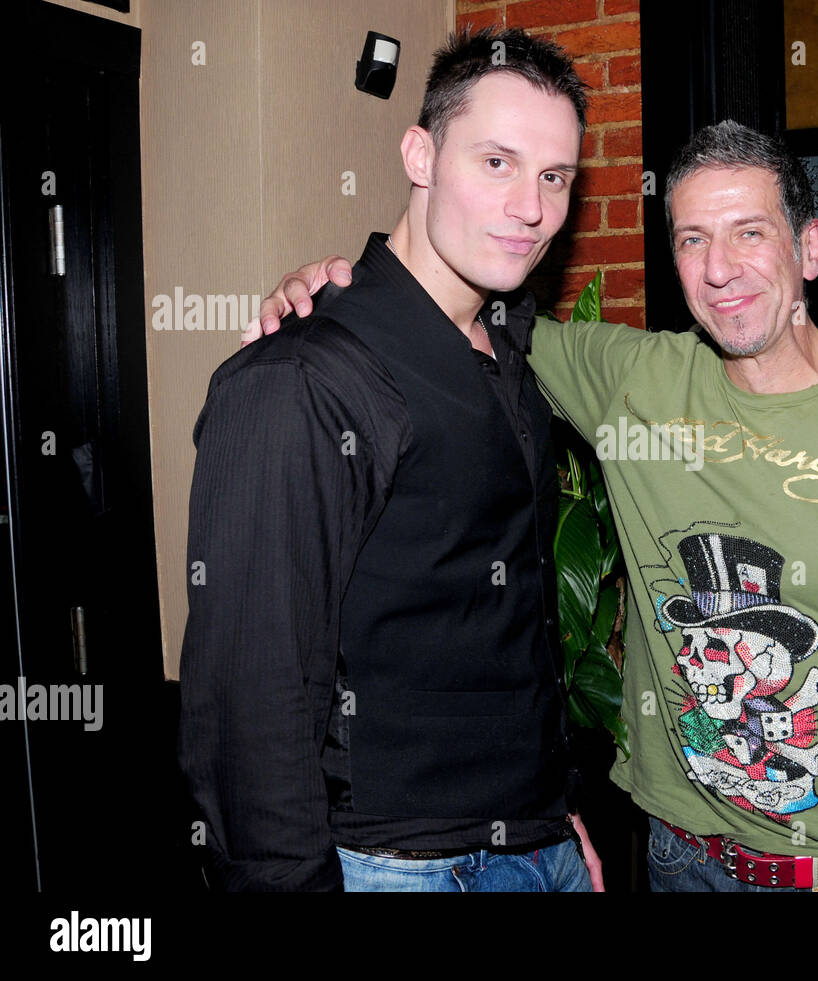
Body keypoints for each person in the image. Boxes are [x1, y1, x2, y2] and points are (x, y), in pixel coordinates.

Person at [254, 120, 818, 892]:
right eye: (692, 240)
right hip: (676, 857)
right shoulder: (634, 380)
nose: (719, 269)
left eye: (750, 232)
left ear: (808, 247)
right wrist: (338, 291)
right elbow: (463, 312)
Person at [179, 27, 604, 892]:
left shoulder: (510, 353)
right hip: (397, 866)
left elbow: (509, 636)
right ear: (420, 153)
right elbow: (249, 699)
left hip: (538, 844)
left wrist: (555, 821)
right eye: (496, 161)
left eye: (554, 176)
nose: (532, 206)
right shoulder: (302, 376)